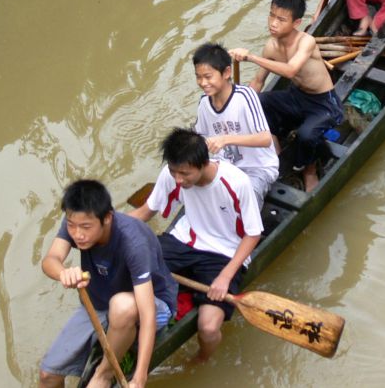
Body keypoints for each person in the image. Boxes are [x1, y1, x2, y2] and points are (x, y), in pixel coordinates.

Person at [132, 128, 263, 364]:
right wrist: (107, 230)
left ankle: (200, 360)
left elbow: (253, 235)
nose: (178, 180)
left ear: (203, 163)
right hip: (183, 240)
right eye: (174, 172)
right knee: (130, 271)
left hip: (223, 254)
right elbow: (145, 211)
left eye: (185, 174)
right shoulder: (171, 175)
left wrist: (224, 277)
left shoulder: (236, 182)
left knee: (209, 327)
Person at [39, 180, 177, 388]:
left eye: (86, 227)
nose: (78, 234)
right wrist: (63, 273)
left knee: (122, 306)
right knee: (47, 376)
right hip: (99, 303)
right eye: (71, 226)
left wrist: (140, 378)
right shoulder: (76, 222)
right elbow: (50, 260)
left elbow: (147, 313)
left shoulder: (134, 242)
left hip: (150, 306)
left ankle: (104, 374)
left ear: (107, 218)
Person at [230, 0, 339, 193]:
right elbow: (258, 81)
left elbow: (290, 70)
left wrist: (250, 57)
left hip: (322, 103)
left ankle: (309, 170)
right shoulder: (271, 46)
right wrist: (240, 109)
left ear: (296, 23)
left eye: (281, 19)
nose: (273, 23)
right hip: (296, 95)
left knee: (306, 136)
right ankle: (276, 153)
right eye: (271, 15)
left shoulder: (306, 41)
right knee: (259, 103)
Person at [191, 42, 278, 205]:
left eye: (208, 77)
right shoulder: (204, 103)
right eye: (198, 77)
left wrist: (225, 139)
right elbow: (200, 137)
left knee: (244, 201)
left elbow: (265, 139)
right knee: (196, 194)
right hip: (225, 168)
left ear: (226, 72)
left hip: (257, 169)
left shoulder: (246, 96)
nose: (203, 83)